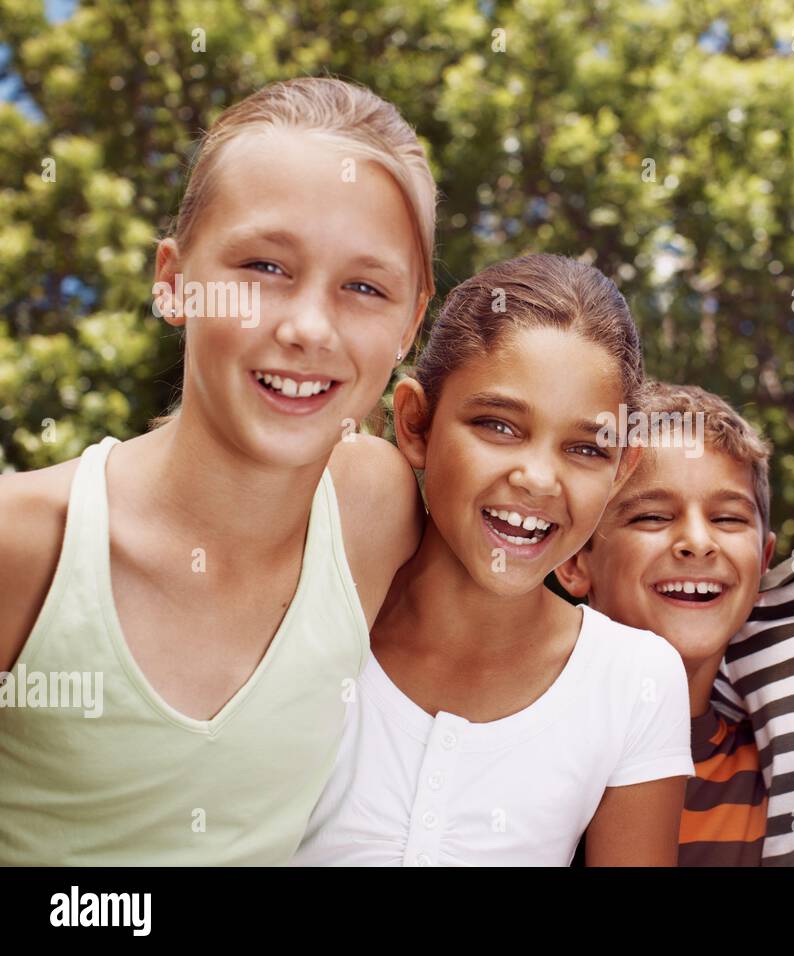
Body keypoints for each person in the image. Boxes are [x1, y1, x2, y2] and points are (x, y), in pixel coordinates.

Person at [0, 77, 432, 864]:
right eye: (265, 266)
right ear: (173, 282)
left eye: (364, 287)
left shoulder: (380, 506)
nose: (308, 327)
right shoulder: (27, 546)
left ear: (411, 319)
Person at [293, 255, 693, 867]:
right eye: (498, 427)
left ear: (621, 471)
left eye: (586, 448)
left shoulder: (634, 681)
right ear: (416, 423)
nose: (538, 479)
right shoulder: (313, 608)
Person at [557, 381, 776, 865]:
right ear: (574, 561)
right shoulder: (534, 728)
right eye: (653, 517)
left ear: (764, 561)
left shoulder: (777, 757)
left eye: (728, 519)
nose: (697, 542)